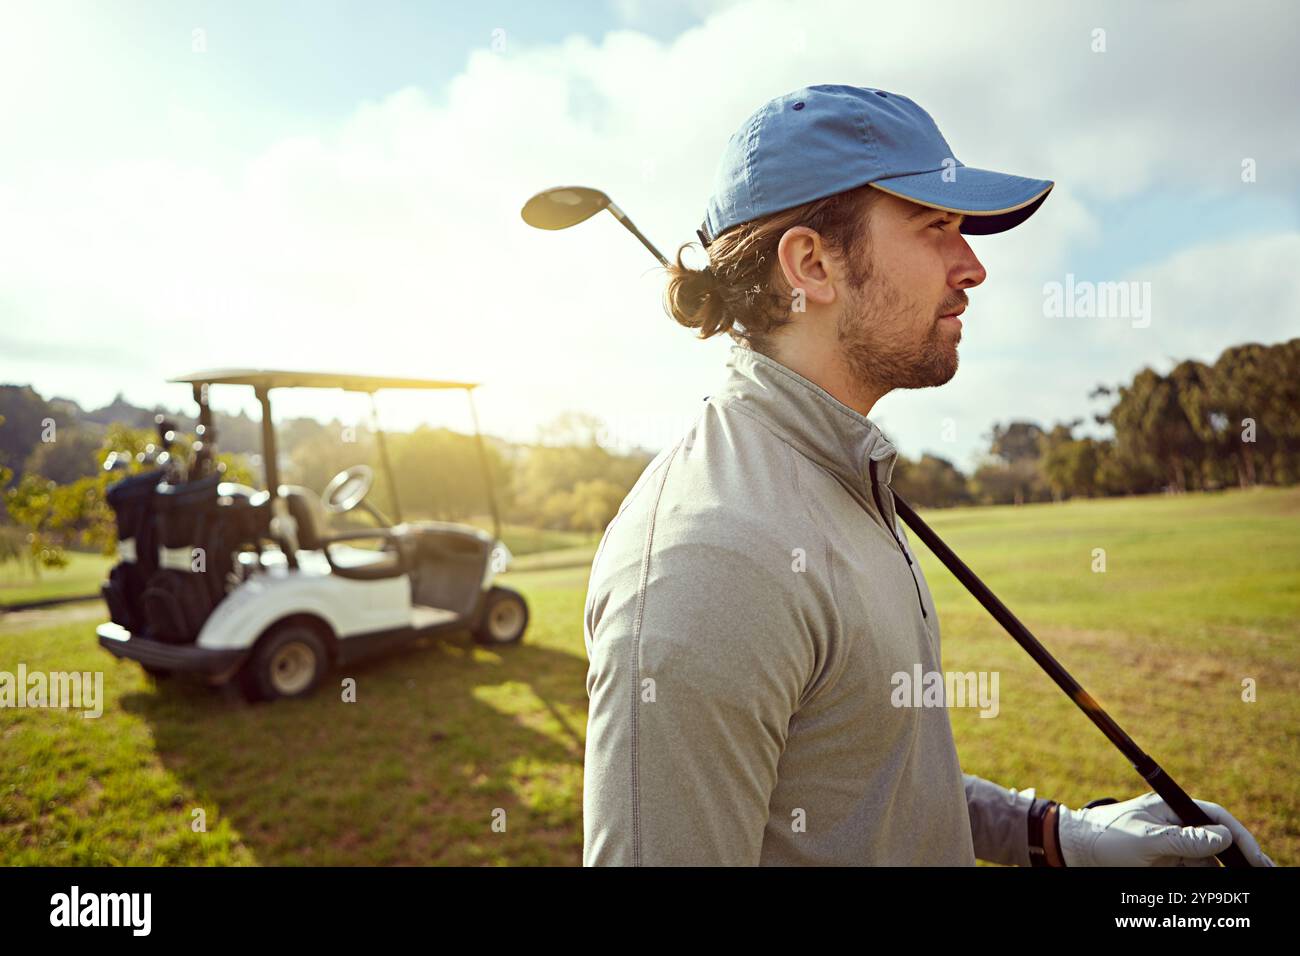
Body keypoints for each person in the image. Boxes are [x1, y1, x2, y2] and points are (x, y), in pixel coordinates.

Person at [580, 84, 1273, 867]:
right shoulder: (710, 562)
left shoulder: (846, 482)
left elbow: (865, 777)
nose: (972, 266)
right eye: (936, 227)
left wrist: (1055, 835)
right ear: (811, 263)